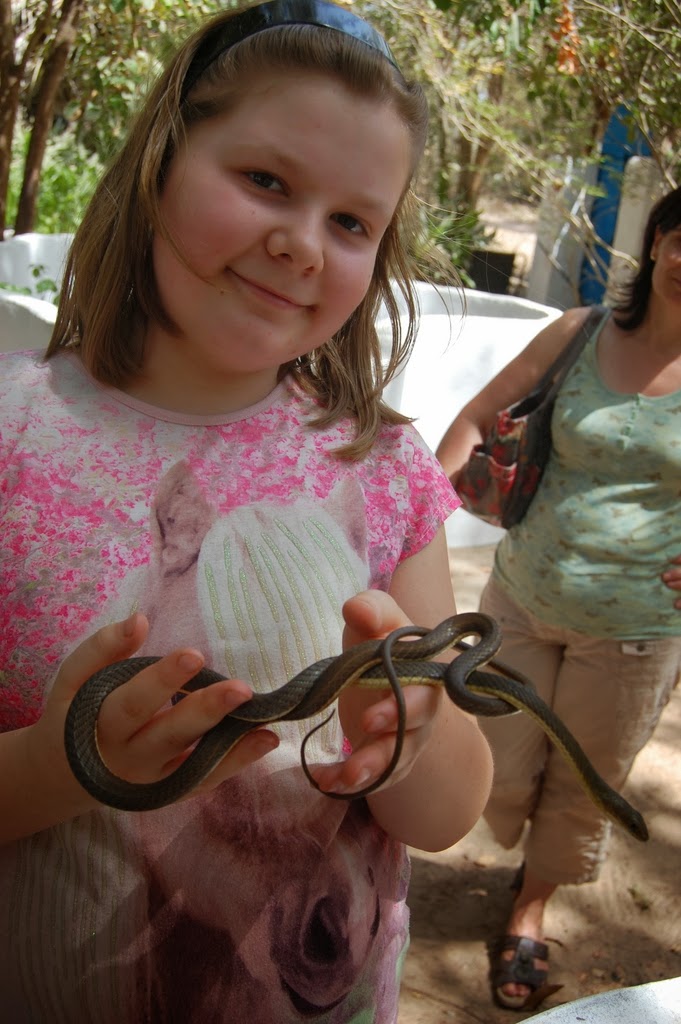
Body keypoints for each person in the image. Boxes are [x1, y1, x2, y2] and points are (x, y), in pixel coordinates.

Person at [0, 2, 494, 1021]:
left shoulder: (385, 463)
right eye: (266, 181)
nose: (302, 244)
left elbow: (448, 812)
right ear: (161, 162)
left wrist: (416, 738)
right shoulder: (14, 438)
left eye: (352, 222)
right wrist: (64, 762)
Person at [436, 186, 681, 1010]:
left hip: (637, 632)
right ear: (655, 244)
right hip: (520, 598)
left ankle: (529, 911)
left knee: (584, 784)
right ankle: (517, 853)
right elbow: (472, 420)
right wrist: (414, 514)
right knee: (496, 765)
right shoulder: (580, 332)